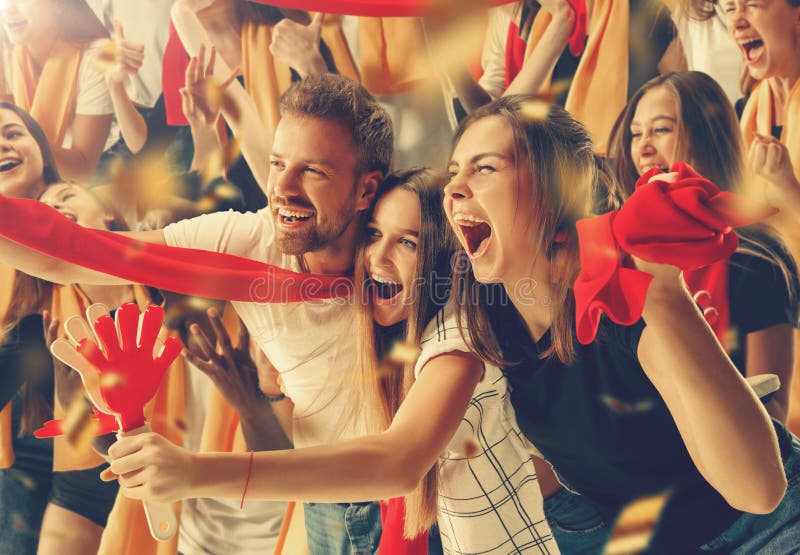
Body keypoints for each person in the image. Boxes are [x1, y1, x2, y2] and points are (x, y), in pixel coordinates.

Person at [0, 73, 394, 555]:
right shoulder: (246, 242)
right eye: (276, 164)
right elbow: (64, 254)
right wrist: (119, 416)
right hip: (323, 498)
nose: (283, 188)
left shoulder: (406, 244)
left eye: (313, 170)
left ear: (366, 190)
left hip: (423, 491)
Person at [440, 95, 798, 553]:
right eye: (454, 172)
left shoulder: (623, 299)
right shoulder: (490, 323)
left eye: (485, 168)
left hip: (767, 532)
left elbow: (759, 492)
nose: (454, 189)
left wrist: (667, 296)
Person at [607, 71, 798, 423]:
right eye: (636, 134)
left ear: (708, 136)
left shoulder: (758, 255)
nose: (644, 146)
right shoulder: (617, 249)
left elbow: (773, 414)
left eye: (662, 129)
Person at [0, 0, 116, 182]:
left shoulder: (98, 55)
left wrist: (24, 140)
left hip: (102, 168)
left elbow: (83, 171)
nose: (9, 8)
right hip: (32, 167)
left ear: (59, 5)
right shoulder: (10, 53)